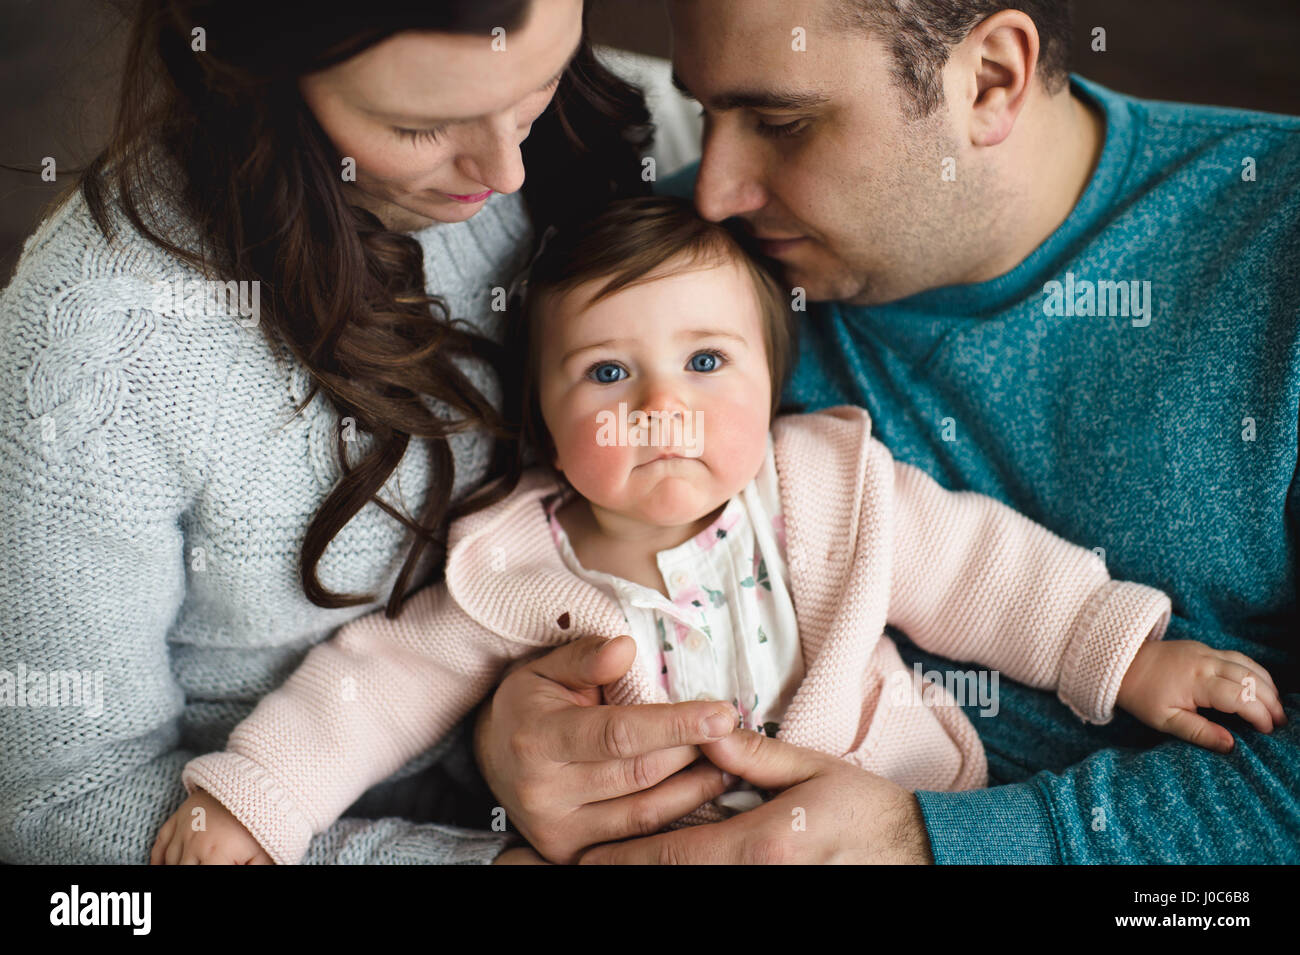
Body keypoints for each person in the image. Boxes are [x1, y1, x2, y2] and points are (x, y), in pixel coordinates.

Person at [150, 196, 1282, 865]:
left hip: (897, 804)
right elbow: (374, 683)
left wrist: (1126, 655)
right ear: (542, 417)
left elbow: (986, 570)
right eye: (605, 371)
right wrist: (254, 801)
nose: (661, 404)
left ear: (770, 382)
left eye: (704, 361)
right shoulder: (519, 564)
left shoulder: (822, 488)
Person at [474, 0, 1300, 864]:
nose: (715, 188)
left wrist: (933, 844)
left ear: (990, 79)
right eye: (708, 110)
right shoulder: (670, 280)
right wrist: (504, 739)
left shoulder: (1274, 237)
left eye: (779, 121)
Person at [0, 0, 731, 865]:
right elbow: (59, 802)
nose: (504, 170)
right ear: (259, 65)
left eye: (535, 88)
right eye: (420, 128)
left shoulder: (664, 133)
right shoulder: (98, 346)